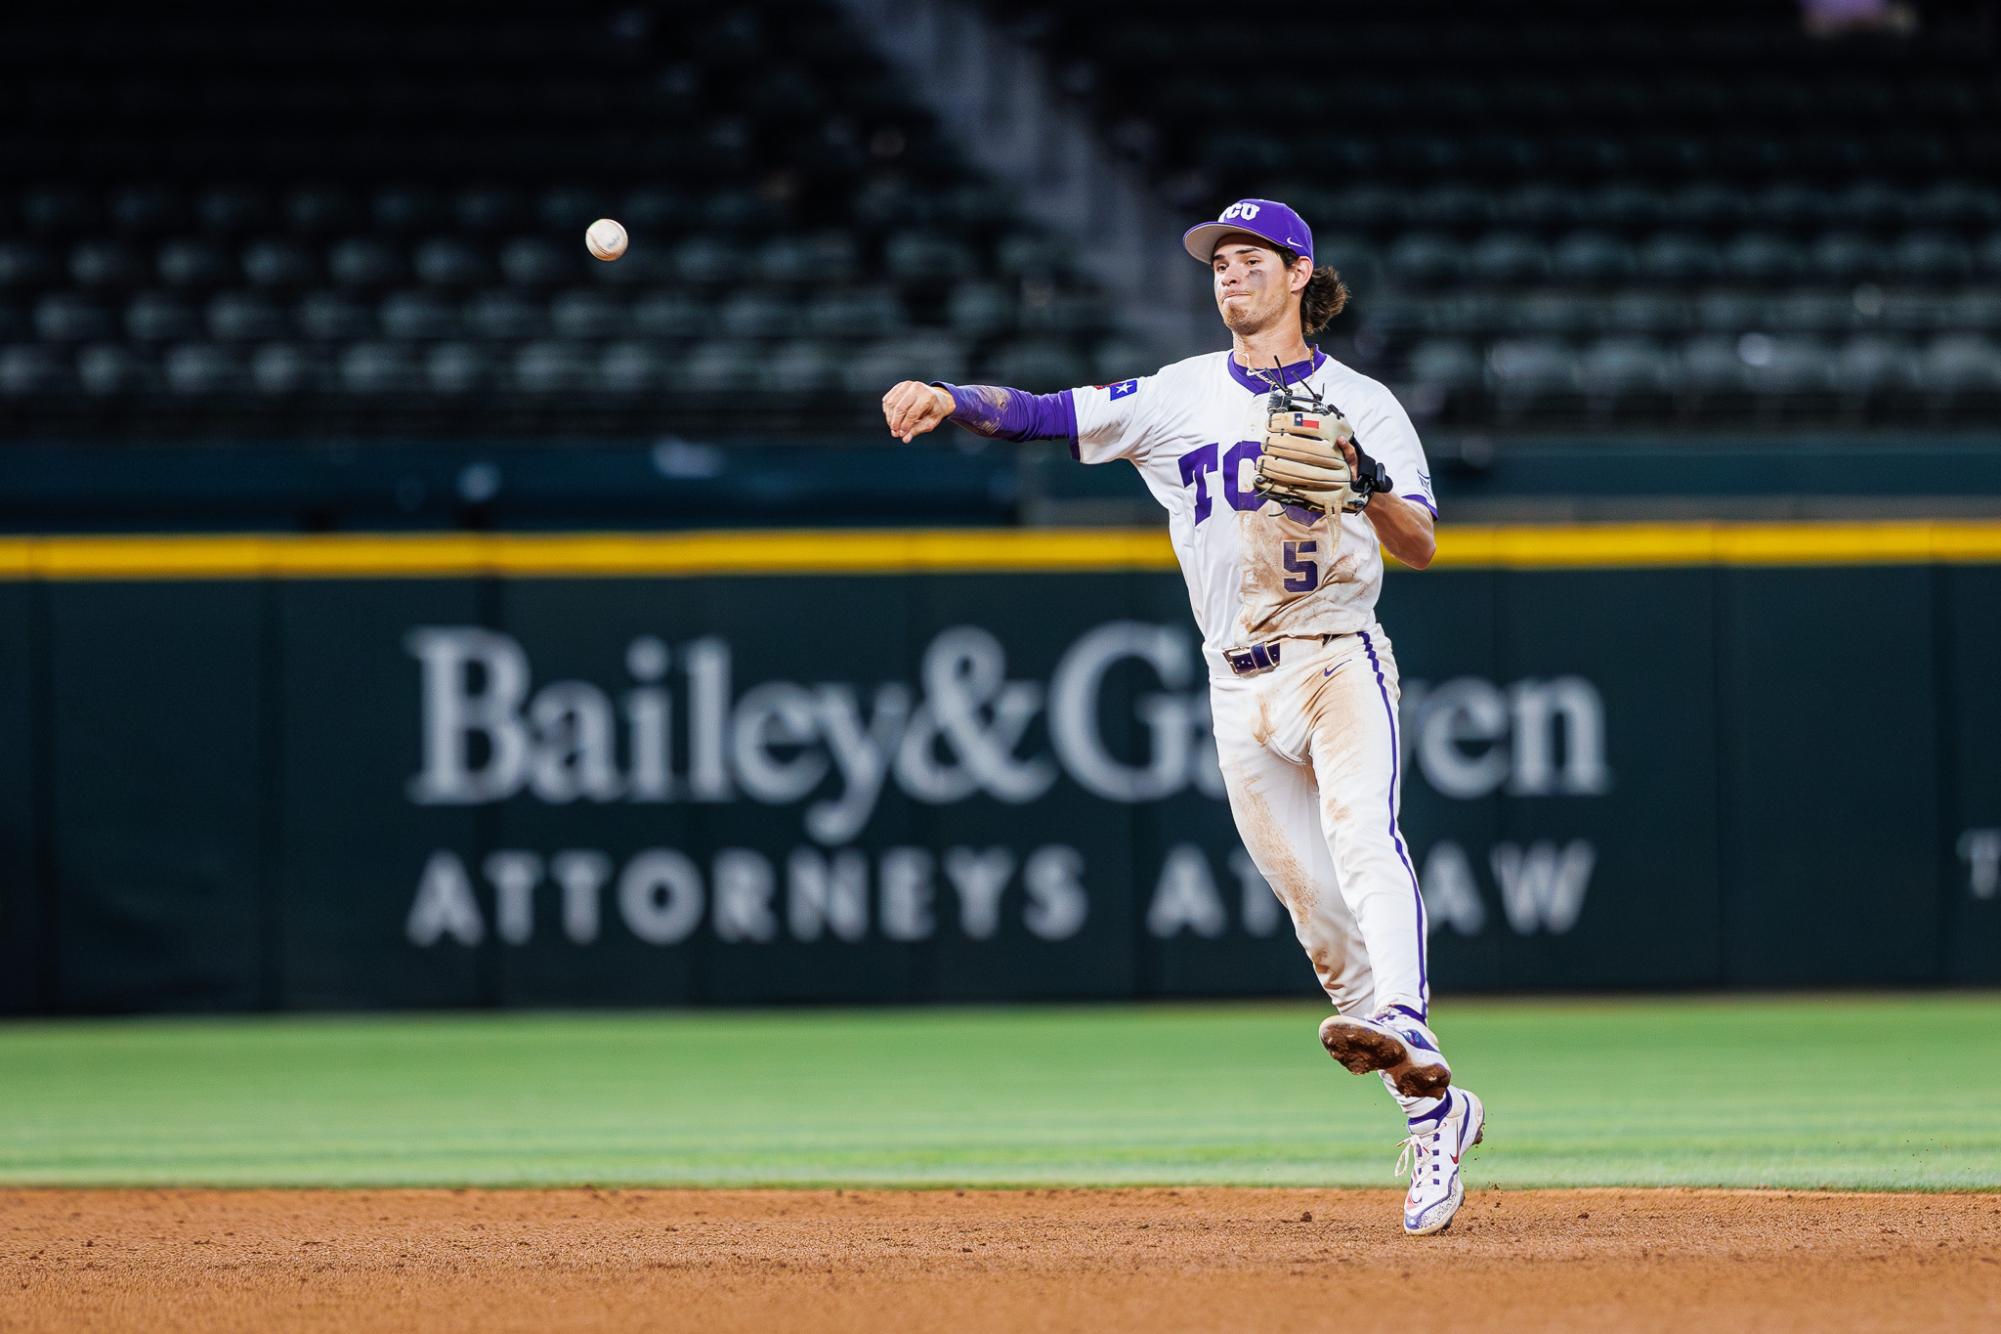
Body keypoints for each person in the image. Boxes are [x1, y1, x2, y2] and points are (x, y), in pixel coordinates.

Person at [880, 198, 1482, 1237]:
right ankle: (1436, 1108)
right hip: (1235, 682)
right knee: (1323, 932)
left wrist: (1369, 482)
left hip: (1337, 652)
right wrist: (949, 394)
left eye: (1251, 259)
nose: (1228, 273)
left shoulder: (1364, 402)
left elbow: (1421, 541)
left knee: (1361, 833)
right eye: (1219, 261)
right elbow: (1043, 412)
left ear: (1301, 275)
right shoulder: (1179, 395)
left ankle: (1411, 1018)